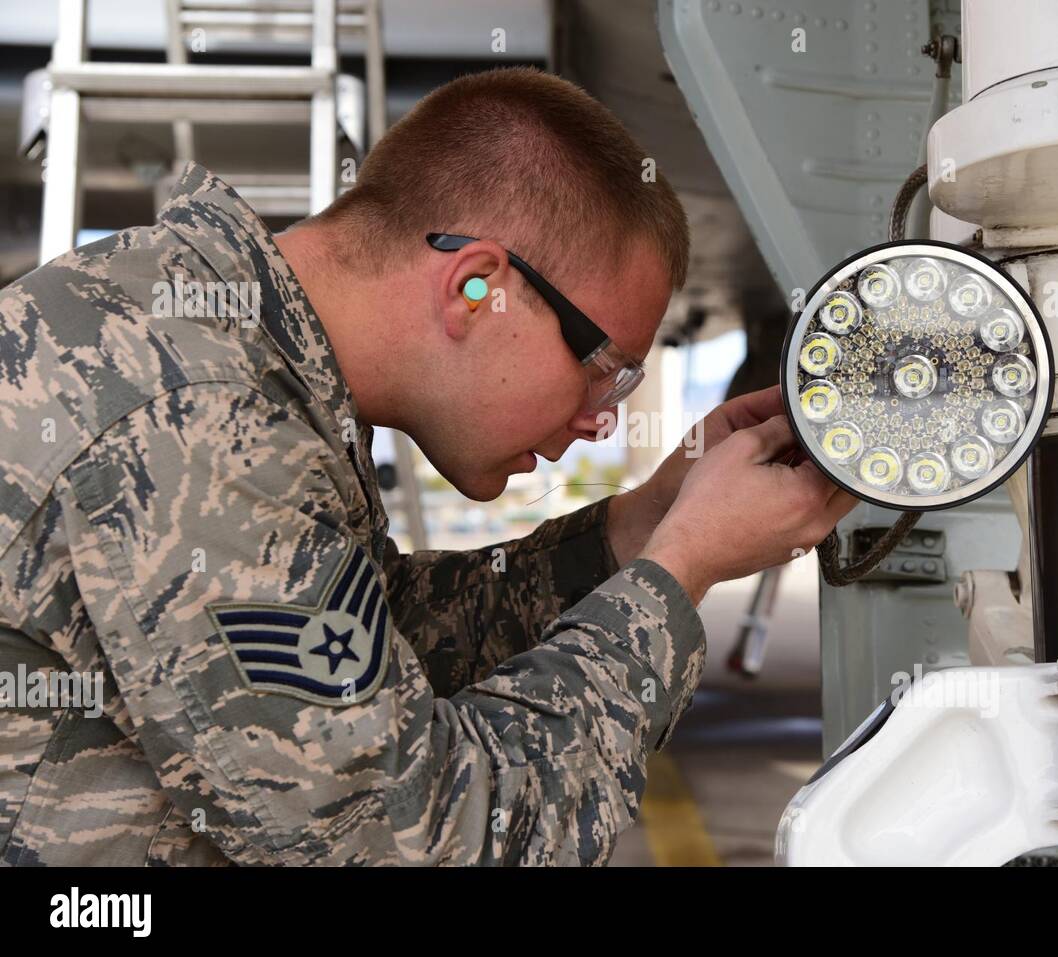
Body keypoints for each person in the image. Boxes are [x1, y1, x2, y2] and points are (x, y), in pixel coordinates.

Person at [0, 67, 854, 866]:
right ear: (476, 287)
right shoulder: (194, 413)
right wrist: (681, 571)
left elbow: (361, 647)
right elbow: (424, 836)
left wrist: (642, 528)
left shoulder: (228, 353)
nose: (602, 419)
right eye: (603, 367)